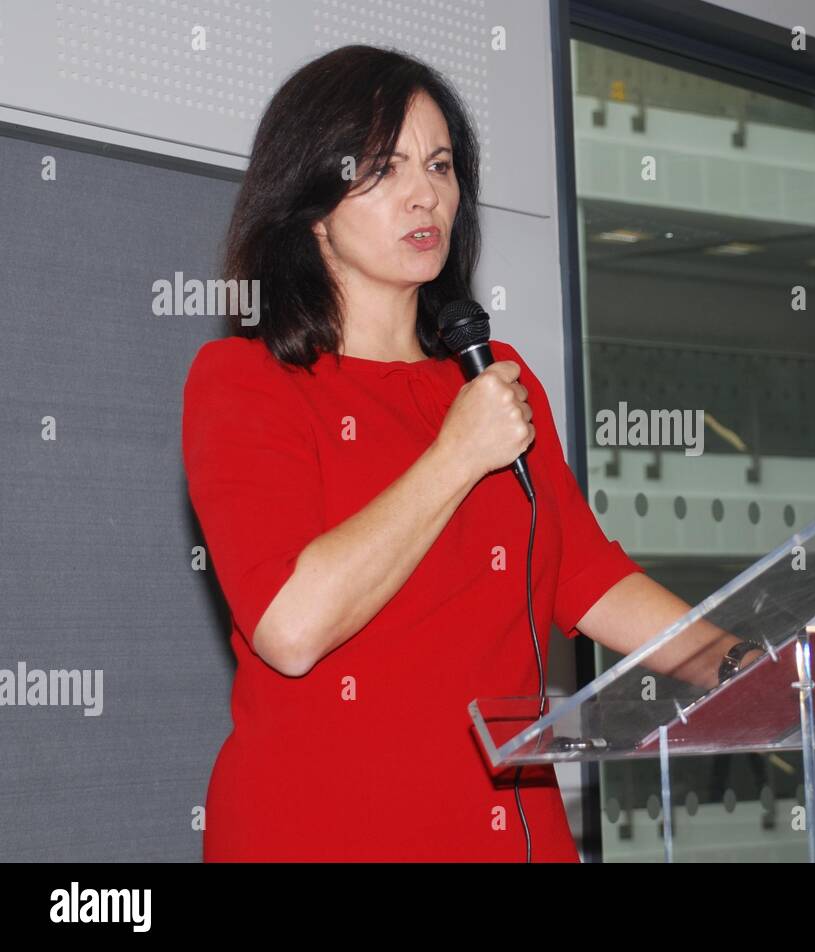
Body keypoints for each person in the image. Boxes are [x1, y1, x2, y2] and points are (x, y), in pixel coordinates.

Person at [182, 45, 761, 862]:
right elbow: (290, 625)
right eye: (383, 169)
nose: (426, 193)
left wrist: (738, 663)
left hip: (507, 827)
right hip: (323, 830)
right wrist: (456, 456)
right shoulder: (247, 381)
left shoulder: (493, 379)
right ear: (311, 201)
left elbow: (583, 574)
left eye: (442, 164)